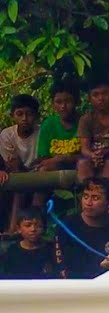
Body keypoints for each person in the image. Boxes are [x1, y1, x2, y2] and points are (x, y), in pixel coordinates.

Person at [52, 176, 109, 279]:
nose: (88, 203)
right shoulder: (66, 226)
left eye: (95, 198)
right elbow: (60, 265)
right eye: (85, 196)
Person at [1, 94, 40, 231]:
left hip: (39, 175)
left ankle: (19, 228)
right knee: (17, 187)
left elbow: (43, 159)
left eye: (29, 114)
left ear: (36, 116)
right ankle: (12, 228)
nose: (24, 118)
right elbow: (12, 164)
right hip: (17, 175)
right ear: (12, 115)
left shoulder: (42, 132)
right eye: (20, 114)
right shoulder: (7, 135)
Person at [77, 79, 109, 183]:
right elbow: (84, 148)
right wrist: (93, 155)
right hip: (94, 155)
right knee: (83, 164)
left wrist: (105, 153)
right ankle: (87, 191)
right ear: (90, 99)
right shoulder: (86, 119)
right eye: (95, 95)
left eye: (105, 93)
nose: (100, 98)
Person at [36, 82, 83, 174]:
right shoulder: (49, 124)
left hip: (81, 167)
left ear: (77, 102)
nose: (63, 106)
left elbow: (90, 155)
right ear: (53, 104)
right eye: (58, 102)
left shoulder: (85, 122)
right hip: (56, 168)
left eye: (68, 101)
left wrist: (64, 158)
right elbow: (43, 158)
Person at [0, 206, 54, 279]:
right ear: (19, 228)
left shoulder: (52, 250)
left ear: (44, 228)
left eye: (38, 226)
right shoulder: (11, 251)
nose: (33, 229)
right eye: (28, 225)